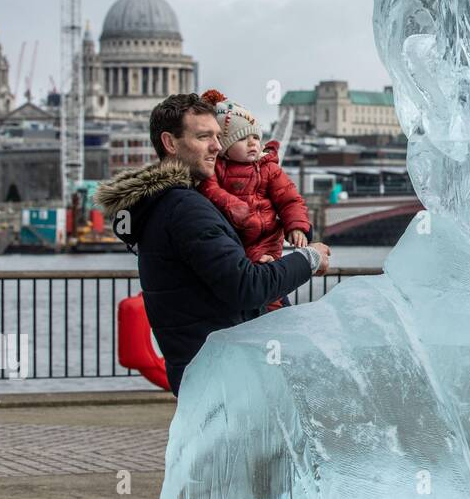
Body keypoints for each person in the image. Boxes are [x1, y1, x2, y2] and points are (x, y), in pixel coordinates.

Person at [95, 92, 330, 395]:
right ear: (170, 143)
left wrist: (257, 264)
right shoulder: (186, 209)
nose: (217, 146)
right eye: (204, 136)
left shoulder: (162, 205)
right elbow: (246, 288)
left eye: (218, 136)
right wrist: (309, 258)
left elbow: (220, 286)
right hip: (224, 380)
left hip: (202, 373)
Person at [196, 89, 311, 312]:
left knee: (270, 293)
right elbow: (208, 190)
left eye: (256, 137)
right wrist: (237, 208)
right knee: (250, 286)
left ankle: (274, 325)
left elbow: (290, 201)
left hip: (266, 238)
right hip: (236, 240)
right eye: (243, 138)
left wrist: (297, 227)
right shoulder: (215, 168)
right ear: (224, 146)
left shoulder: (269, 169)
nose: (253, 144)